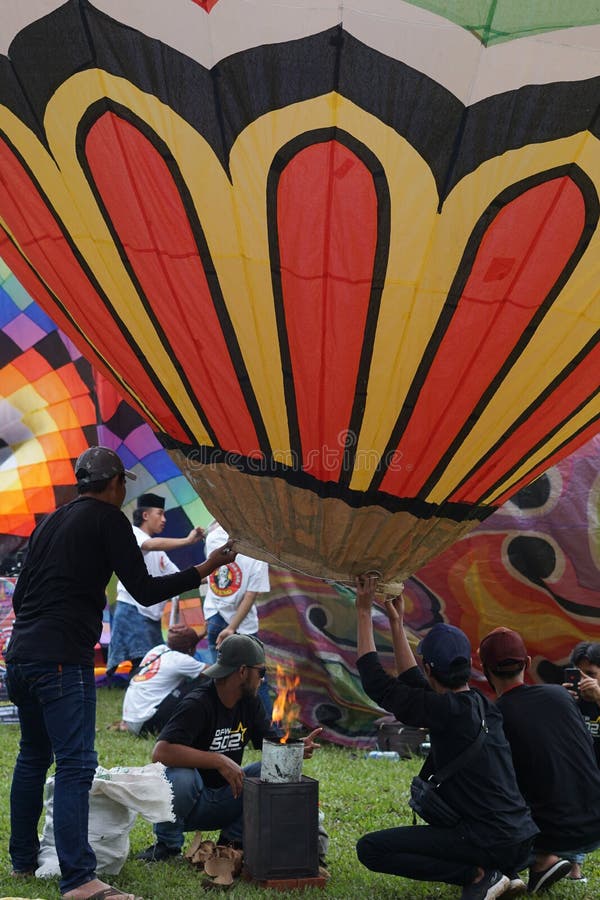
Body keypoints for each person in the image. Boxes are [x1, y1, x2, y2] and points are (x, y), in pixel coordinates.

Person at [5, 446, 236, 900]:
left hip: (21, 656)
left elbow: (20, 596)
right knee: (76, 765)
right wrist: (206, 567)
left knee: (32, 758)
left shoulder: (51, 520)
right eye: (123, 483)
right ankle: (78, 880)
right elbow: (146, 591)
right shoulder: (108, 518)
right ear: (115, 484)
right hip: (60, 659)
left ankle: (22, 863)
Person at [354, 575, 537, 900]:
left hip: (486, 839)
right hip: (520, 842)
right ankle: (506, 871)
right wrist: (396, 622)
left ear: (430, 668)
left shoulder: (441, 708)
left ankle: (480, 874)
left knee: (371, 849)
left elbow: (374, 680)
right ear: (468, 664)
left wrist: (364, 612)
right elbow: (415, 681)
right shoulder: (482, 706)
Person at [136, 633, 322, 862]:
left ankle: (230, 843)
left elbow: (270, 742)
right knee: (181, 777)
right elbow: (161, 752)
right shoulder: (197, 703)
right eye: (260, 672)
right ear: (242, 672)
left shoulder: (250, 703)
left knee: (271, 772)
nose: (262, 679)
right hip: (194, 801)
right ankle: (167, 846)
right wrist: (217, 759)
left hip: (228, 795)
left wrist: (295, 748)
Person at [479, 627, 600, 892]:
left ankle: (538, 858)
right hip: (593, 824)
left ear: (484, 668)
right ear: (528, 663)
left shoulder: (495, 715)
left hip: (554, 834)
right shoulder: (560, 696)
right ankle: (544, 861)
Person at [106, 492, 204, 675]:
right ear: (145, 515)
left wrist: (213, 572)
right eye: (160, 513)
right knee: (145, 666)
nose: (164, 519)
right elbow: (149, 545)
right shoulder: (134, 534)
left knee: (150, 665)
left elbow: (179, 576)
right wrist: (188, 541)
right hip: (132, 610)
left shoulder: (159, 552)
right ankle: (141, 698)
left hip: (148, 616)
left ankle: (143, 697)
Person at [202, 522, 273, 715]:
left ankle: (219, 722)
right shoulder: (258, 548)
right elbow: (251, 594)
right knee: (256, 679)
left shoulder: (213, 537)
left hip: (215, 616)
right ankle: (269, 732)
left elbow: (211, 575)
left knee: (218, 679)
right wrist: (232, 628)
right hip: (243, 625)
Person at [122, 624, 207, 736]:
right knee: (202, 682)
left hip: (130, 721)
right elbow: (215, 672)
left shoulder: (157, 650)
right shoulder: (181, 660)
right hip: (147, 725)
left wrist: (198, 637)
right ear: (191, 649)